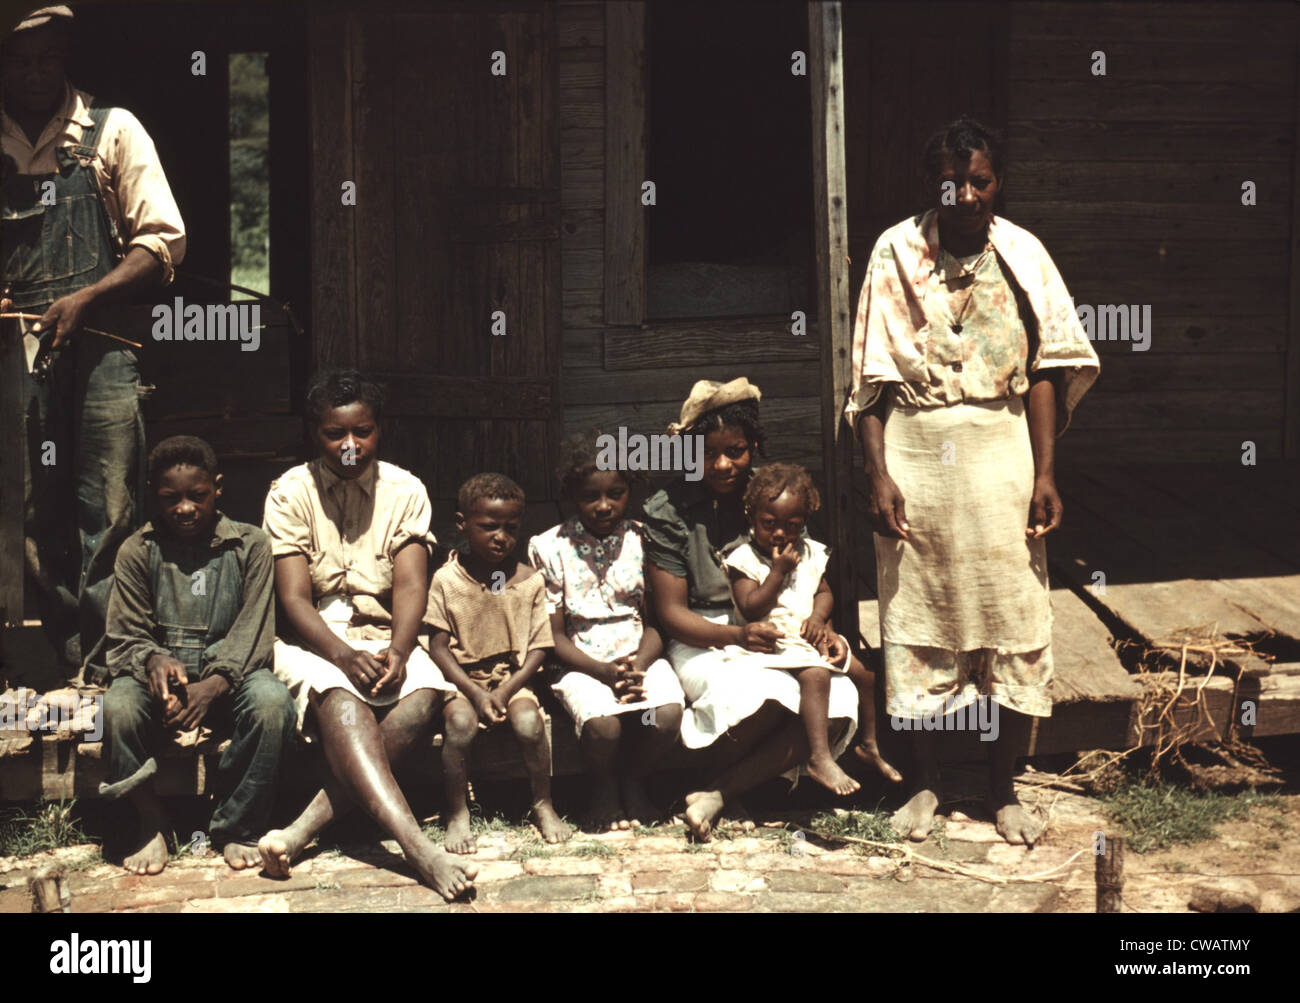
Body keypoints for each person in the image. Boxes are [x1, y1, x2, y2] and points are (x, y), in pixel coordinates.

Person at [846, 116, 1099, 846]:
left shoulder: (1023, 253)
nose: (967, 196)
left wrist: (1045, 472)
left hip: (1000, 447)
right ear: (935, 187)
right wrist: (880, 473)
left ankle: (1001, 788)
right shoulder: (895, 252)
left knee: (1010, 612)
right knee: (919, 613)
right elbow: (872, 378)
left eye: (981, 181)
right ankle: (923, 783)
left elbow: (1051, 365)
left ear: (997, 182)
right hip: (918, 447)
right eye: (953, 183)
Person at [1, 6, 186, 674]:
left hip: (103, 344)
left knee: (107, 504)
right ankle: (56, 655)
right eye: (18, 60)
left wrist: (87, 297)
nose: (32, 73)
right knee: (30, 504)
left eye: (47, 59)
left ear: (66, 57)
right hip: (15, 355)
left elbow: (162, 244)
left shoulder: (111, 130)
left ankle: (107, 662)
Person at [256, 370, 475, 902]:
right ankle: (417, 848)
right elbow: (292, 600)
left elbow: (409, 585)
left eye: (364, 431)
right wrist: (342, 654)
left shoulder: (406, 490)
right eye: (336, 434)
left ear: (380, 430)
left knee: (423, 694)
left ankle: (303, 829)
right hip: (318, 638)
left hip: (388, 632)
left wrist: (400, 651)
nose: (351, 445)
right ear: (316, 433)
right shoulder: (290, 493)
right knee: (341, 701)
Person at [643, 377, 859, 842]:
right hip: (705, 633)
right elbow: (670, 614)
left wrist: (820, 625)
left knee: (838, 702)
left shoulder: (774, 500)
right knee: (756, 695)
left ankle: (716, 792)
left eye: (735, 451)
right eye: (705, 453)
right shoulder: (669, 510)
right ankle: (731, 786)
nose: (721, 464)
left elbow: (809, 581)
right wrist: (737, 636)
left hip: (777, 630)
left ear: (753, 447)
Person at [99, 436, 294, 874]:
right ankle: (149, 820)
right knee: (116, 707)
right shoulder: (137, 550)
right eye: (171, 499)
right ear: (154, 495)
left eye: (198, 496)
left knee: (273, 705)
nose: (185, 508)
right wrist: (152, 659)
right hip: (161, 687)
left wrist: (215, 683)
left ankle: (235, 825)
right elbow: (125, 633)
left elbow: (255, 631)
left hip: (231, 679)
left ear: (218, 488)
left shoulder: (250, 546)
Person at [527, 432, 685, 831]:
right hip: (579, 659)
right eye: (589, 497)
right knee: (604, 727)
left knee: (662, 717)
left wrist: (639, 666)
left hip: (639, 655)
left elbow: (655, 623)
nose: (603, 506)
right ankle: (603, 785)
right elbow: (555, 636)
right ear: (571, 497)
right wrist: (604, 673)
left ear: (629, 491)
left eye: (615, 493)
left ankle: (635, 779)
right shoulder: (549, 547)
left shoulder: (642, 538)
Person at [725, 462, 900, 796]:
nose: (780, 534)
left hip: (807, 636)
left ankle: (869, 744)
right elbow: (751, 607)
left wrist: (819, 620)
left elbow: (824, 592)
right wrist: (777, 572)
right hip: (772, 640)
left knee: (866, 673)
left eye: (792, 525)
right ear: (751, 515)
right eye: (769, 524)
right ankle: (819, 757)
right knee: (816, 676)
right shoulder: (743, 559)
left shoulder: (808, 552)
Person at [426, 473, 573, 852]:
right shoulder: (447, 579)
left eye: (510, 527)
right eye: (488, 526)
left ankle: (543, 803)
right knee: (459, 725)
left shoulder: (528, 581)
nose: (500, 537)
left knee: (528, 723)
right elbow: (439, 647)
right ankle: (456, 811)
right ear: (462, 524)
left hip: (513, 678)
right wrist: (474, 693)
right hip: (462, 680)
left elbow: (540, 647)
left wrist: (506, 690)